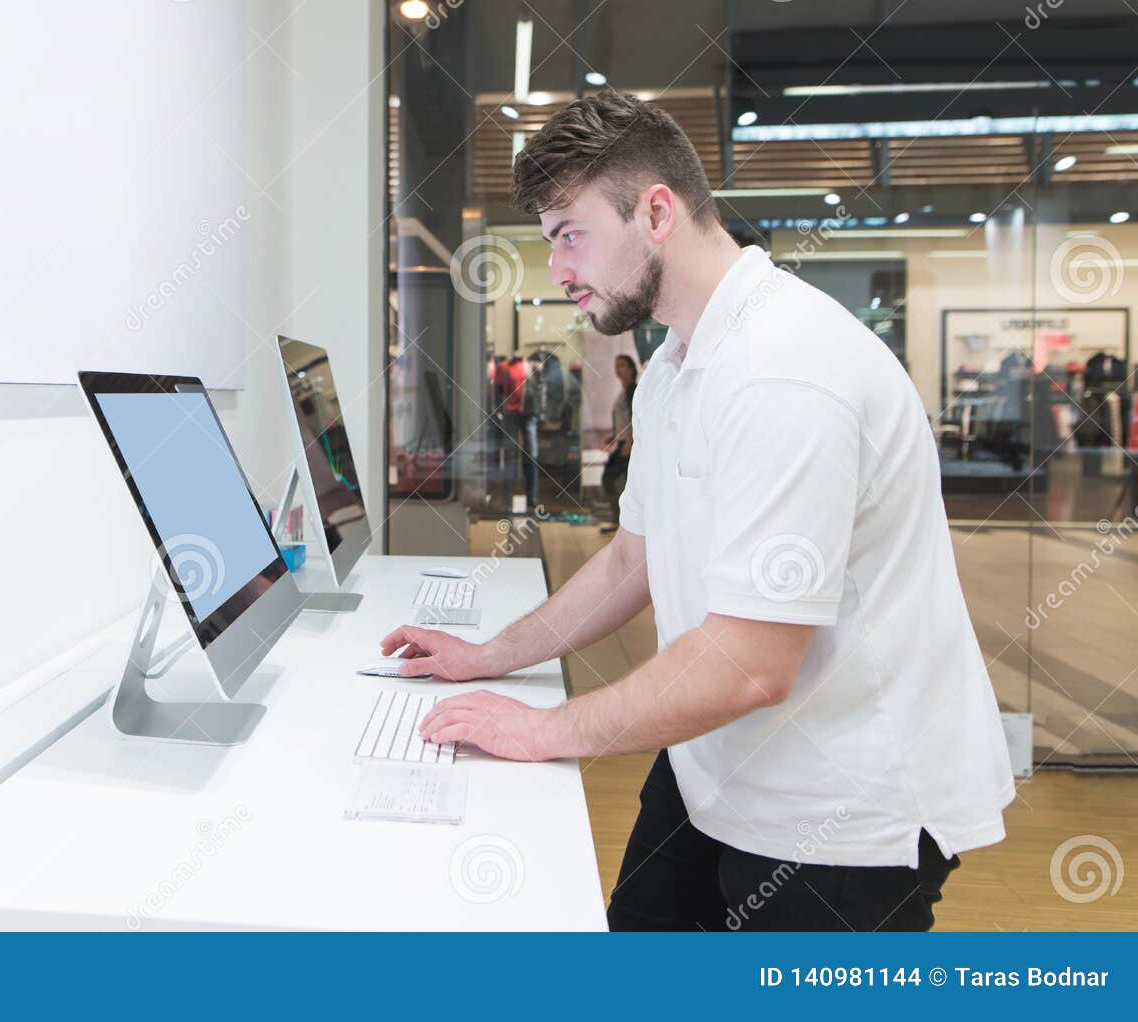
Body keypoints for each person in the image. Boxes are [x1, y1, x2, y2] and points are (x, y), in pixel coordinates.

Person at [380, 89, 1014, 931]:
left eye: (571, 234)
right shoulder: (680, 362)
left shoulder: (785, 370)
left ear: (655, 211)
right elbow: (629, 562)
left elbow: (752, 663)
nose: (561, 268)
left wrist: (544, 731)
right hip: (722, 759)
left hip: (842, 806)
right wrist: (490, 654)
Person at [599, 354, 637, 530]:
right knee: (613, 479)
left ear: (631, 369)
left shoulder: (632, 390)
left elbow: (634, 417)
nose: (618, 369)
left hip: (629, 446)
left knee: (612, 479)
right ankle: (621, 520)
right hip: (623, 443)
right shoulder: (624, 391)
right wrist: (615, 435)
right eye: (616, 365)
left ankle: (622, 521)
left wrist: (629, 440)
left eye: (622, 365)